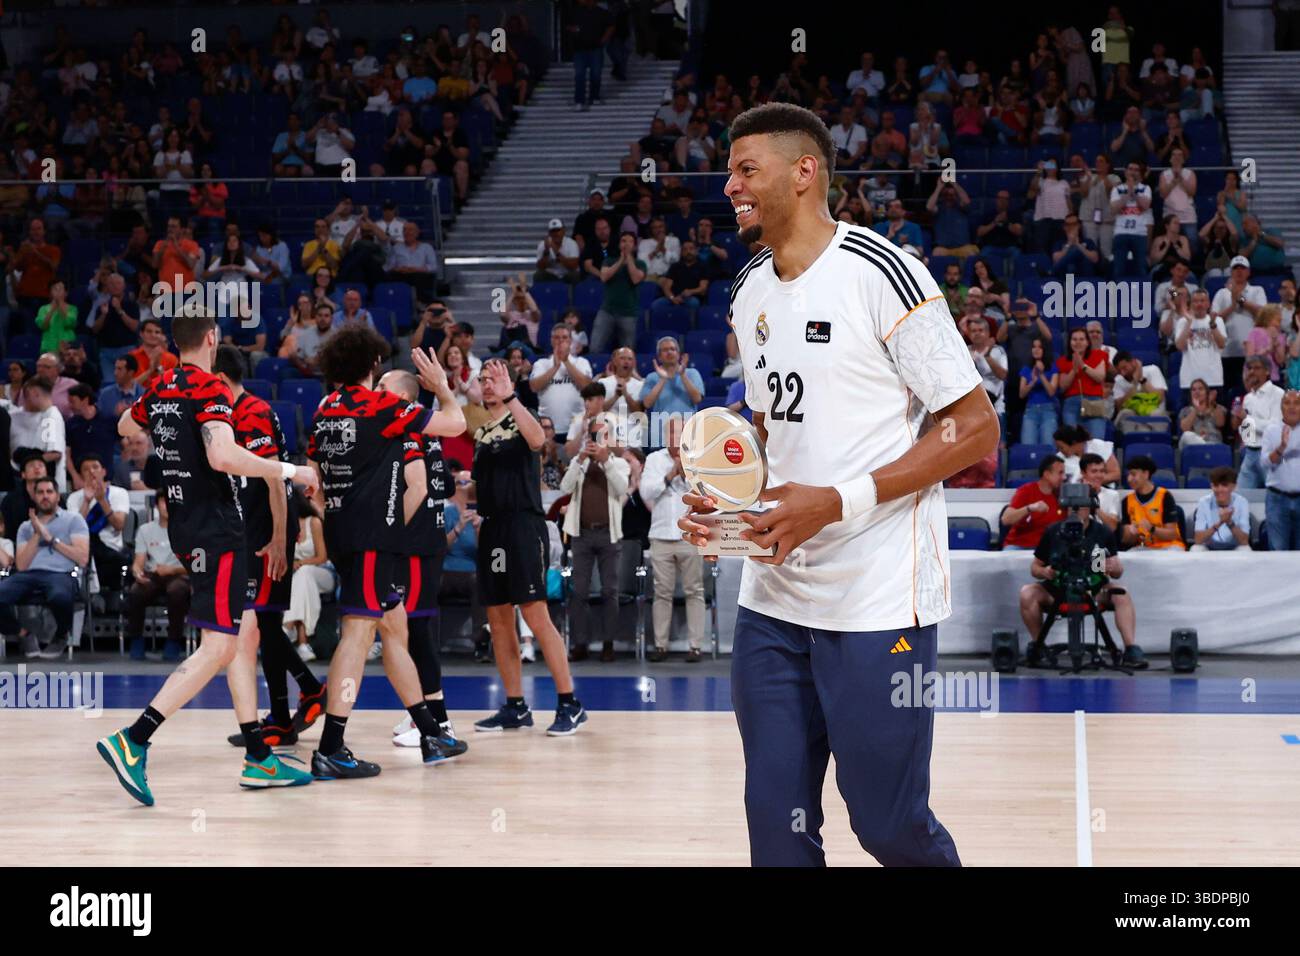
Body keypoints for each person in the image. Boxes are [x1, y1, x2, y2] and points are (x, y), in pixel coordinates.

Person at [679, 103, 998, 867]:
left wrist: (836, 502)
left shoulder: (884, 274)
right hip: (773, 601)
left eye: (745, 170)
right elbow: (774, 434)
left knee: (887, 827)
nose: (730, 187)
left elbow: (974, 428)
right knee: (776, 830)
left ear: (804, 171)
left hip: (876, 596)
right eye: (730, 172)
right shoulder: (750, 287)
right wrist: (726, 504)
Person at [98, 311, 323, 805]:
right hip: (217, 528)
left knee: (237, 639)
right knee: (220, 647)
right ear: (212, 340)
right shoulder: (207, 388)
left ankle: (258, 756)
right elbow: (222, 456)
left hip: (183, 523)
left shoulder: (160, 387)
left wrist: (165, 430)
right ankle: (133, 740)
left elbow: (121, 423)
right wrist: (290, 469)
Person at [305, 326, 468, 776]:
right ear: (372, 364)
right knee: (357, 636)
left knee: (393, 630)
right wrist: (440, 387)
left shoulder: (324, 413)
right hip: (373, 539)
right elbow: (456, 425)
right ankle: (331, 746)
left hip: (343, 534)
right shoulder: (383, 406)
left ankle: (430, 731)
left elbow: (312, 481)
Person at [213, 347, 326, 749]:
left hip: (265, 534)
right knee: (266, 625)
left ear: (222, 380)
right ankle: (280, 717)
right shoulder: (233, 415)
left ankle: (310, 690)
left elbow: (276, 479)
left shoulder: (252, 412)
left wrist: (280, 537)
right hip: (253, 532)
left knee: (261, 624)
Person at [469, 359, 589, 735]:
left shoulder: (521, 417)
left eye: (495, 378)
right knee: (500, 620)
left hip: (523, 525)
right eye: (483, 379)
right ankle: (515, 705)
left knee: (535, 616)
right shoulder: (482, 431)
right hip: (492, 529)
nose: (488, 384)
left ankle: (570, 703)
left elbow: (539, 442)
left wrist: (512, 396)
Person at [375, 370, 459, 747]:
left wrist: (387, 533)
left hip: (417, 544)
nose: (376, 393)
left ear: (405, 398)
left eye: (382, 388)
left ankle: (439, 723)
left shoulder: (410, 428)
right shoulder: (427, 430)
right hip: (421, 543)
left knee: (419, 631)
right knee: (409, 631)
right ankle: (420, 712)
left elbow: (422, 488)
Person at [1019, 490, 1147, 668]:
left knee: (1121, 593)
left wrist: (1115, 568)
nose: (1075, 511)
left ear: (1090, 509)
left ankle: (1131, 648)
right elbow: (1035, 567)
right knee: (1027, 593)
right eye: (1071, 507)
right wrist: (1045, 572)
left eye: (1080, 507)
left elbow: (1115, 569)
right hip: (1057, 589)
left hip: (1092, 589)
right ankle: (1039, 647)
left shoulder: (1102, 532)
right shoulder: (1053, 531)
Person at [560, 408, 630, 662]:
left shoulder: (619, 463)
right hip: (582, 535)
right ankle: (580, 643)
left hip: (609, 536)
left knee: (610, 591)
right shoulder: (579, 463)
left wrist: (606, 461)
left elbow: (623, 487)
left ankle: (608, 643)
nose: (598, 440)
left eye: (602, 435)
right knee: (578, 591)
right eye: (593, 435)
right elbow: (565, 487)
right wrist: (579, 459)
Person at [0, 476, 89, 660]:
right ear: (34, 497)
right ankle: (23, 633)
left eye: (49, 492)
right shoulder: (26, 527)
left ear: (57, 496)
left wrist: (52, 540)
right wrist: (37, 534)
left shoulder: (73, 520)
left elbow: (82, 558)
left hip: (61, 573)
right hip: (29, 575)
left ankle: (61, 635)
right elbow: (22, 565)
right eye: (40, 492)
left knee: (59, 596)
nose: (45, 496)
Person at [640, 416, 706, 661]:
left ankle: (695, 646)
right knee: (662, 593)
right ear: (665, 437)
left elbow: (705, 493)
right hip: (660, 534)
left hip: (689, 535)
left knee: (694, 590)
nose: (675, 440)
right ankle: (660, 645)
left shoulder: (698, 459)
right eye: (671, 434)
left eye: (680, 434)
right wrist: (670, 475)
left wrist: (686, 474)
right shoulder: (654, 460)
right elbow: (646, 491)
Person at [123, 494, 192, 660]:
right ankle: (136, 640)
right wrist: (137, 572)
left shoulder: (187, 529)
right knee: (136, 591)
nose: (167, 506)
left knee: (177, 591)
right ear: (157, 505)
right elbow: (139, 560)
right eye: (164, 502)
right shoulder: (145, 530)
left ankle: (174, 641)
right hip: (153, 573)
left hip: (178, 574)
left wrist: (172, 570)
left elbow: (195, 566)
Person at [65, 452, 129, 592]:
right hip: (84, 549)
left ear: (104, 471)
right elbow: (74, 530)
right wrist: (87, 502)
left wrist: (102, 500)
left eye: (95, 467)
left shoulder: (119, 493)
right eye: (86, 469)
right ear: (81, 474)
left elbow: (119, 525)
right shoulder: (74, 498)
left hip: (110, 549)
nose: (91, 472)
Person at [283, 492, 332, 662]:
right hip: (298, 578)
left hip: (322, 573)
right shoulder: (286, 525)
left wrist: (301, 562)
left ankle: (287, 626)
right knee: (303, 584)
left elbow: (322, 557)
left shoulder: (314, 522)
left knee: (304, 574)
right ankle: (303, 645)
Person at [529, 325, 592, 443]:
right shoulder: (541, 364)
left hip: (576, 428)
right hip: (547, 428)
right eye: (557, 338)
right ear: (551, 341)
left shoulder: (581, 363)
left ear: (570, 341)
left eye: (564, 338)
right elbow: (534, 386)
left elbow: (587, 386)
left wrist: (566, 361)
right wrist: (555, 367)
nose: (560, 341)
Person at [589, 231, 646, 355]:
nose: (626, 244)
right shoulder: (609, 261)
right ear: (619, 244)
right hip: (607, 311)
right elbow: (604, 277)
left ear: (634, 245)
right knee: (594, 348)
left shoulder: (640, 264)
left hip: (628, 313)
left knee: (627, 352)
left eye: (630, 241)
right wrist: (621, 260)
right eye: (623, 241)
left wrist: (629, 258)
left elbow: (635, 279)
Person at [1233, 356, 1285, 488]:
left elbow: (1275, 427)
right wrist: (1240, 422)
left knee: (1273, 497)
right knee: (1242, 496)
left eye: (1256, 368)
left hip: (1269, 454)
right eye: (1249, 368)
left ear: (1267, 371)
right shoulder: (1248, 398)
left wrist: (1247, 418)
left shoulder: (1278, 394)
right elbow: (1247, 432)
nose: (1251, 372)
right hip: (1250, 454)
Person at [1117, 454, 1185, 550]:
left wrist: (1152, 529)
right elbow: (1127, 540)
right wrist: (1131, 533)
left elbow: (1172, 534)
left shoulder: (1164, 496)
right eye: (1128, 475)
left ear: (1146, 474)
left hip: (1168, 546)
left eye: (1133, 474)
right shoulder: (1126, 501)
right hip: (1144, 547)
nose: (1129, 479)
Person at [1260, 389, 1300, 550]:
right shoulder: (1272, 430)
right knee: (1278, 550)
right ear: (1281, 407)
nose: (1291, 407)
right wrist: (1281, 448)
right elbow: (1264, 462)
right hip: (1277, 499)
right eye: (1287, 403)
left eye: (1296, 403)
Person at [1001, 455, 1067, 550]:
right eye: (1060, 473)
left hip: (1048, 548)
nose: (1064, 477)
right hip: (1019, 545)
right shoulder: (1027, 490)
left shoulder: (1064, 494)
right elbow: (1005, 519)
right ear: (1047, 474)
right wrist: (1030, 508)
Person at [1191, 466, 1250, 551]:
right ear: (1211, 486)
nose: (1219, 490)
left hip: (1234, 547)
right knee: (1196, 549)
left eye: (1224, 485)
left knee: (1246, 549)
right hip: (1209, 547)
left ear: (1233, 486)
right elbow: (1198, 540)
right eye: (1216, 485)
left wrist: (1229, 522)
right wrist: (1220, 522)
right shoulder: (1203, 502)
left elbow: (1244, 541)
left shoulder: (1242, 502)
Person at [1018, 337, 1059, 444]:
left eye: (1039, 347)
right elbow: (1021, 394)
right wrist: (1032, 382)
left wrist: (1041, 374)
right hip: (1030, 411)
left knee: (1048, 446)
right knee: (1028, 446)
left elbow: (1051, 391)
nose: (1036, 349)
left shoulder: (1052, 368)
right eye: (1034, 347)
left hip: (1048, 410)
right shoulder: (1026, 369)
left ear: (1044, 350)